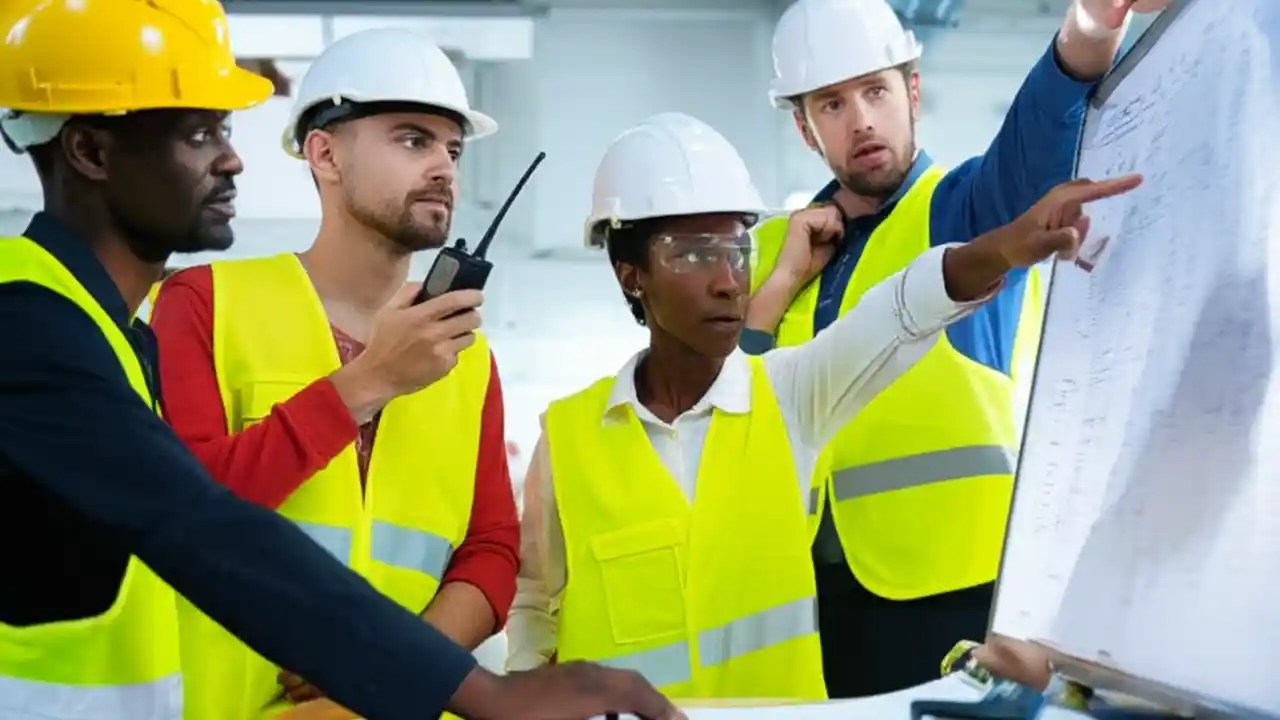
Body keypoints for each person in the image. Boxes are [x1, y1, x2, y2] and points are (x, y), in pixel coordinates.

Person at [0, 2, 679, 719]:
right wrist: (478, 691)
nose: (232, 157)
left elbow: (488, 547)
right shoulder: (32, 320)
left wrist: (383, 674)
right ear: (91, 153)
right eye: (200, 133)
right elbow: (196, 516)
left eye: (452, 150)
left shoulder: (111, 336)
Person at [505, 112, 1142, 699]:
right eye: (694, 254)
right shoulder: (569, 436)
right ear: (630, 274)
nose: (729, 279)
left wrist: (1001, 248)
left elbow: (903, 313)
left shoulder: (788, 397)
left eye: (736, 250)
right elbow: (536, 610)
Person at [747, 0, 1171, 696]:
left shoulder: (964, 209)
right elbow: (721, 398)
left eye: (876, 91)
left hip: (952, 593)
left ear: (912, 93)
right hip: (802, 599)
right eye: (831, 103)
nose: (860, 119)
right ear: (803, 127)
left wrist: (1090, 25)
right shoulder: (769, 251)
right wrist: (787, 276)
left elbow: (1037, 136)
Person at [149, 28, 518, 719]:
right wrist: (368, 381)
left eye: (453, 148)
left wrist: (390, 661)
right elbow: (178, 517)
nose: (443, 166)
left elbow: (493, 552)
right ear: (325, 154)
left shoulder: (470, 361)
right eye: (413, 140)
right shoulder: (202, 303)